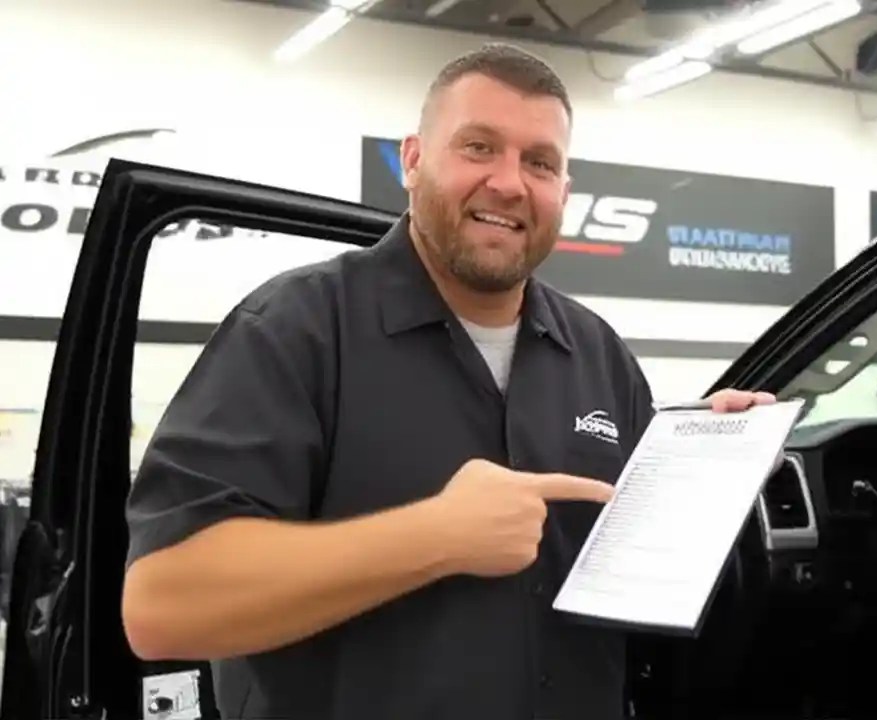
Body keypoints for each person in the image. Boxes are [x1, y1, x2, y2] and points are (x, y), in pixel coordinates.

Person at [120, 42, 774, 720]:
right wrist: (437, 536)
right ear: (412, 160)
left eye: (540, 162)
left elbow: (633, 556)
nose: (510, 183)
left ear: (564, 192)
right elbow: (165, 606)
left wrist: (700, 454)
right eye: (479, 147)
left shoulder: (598, 354)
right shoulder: (295, 331)